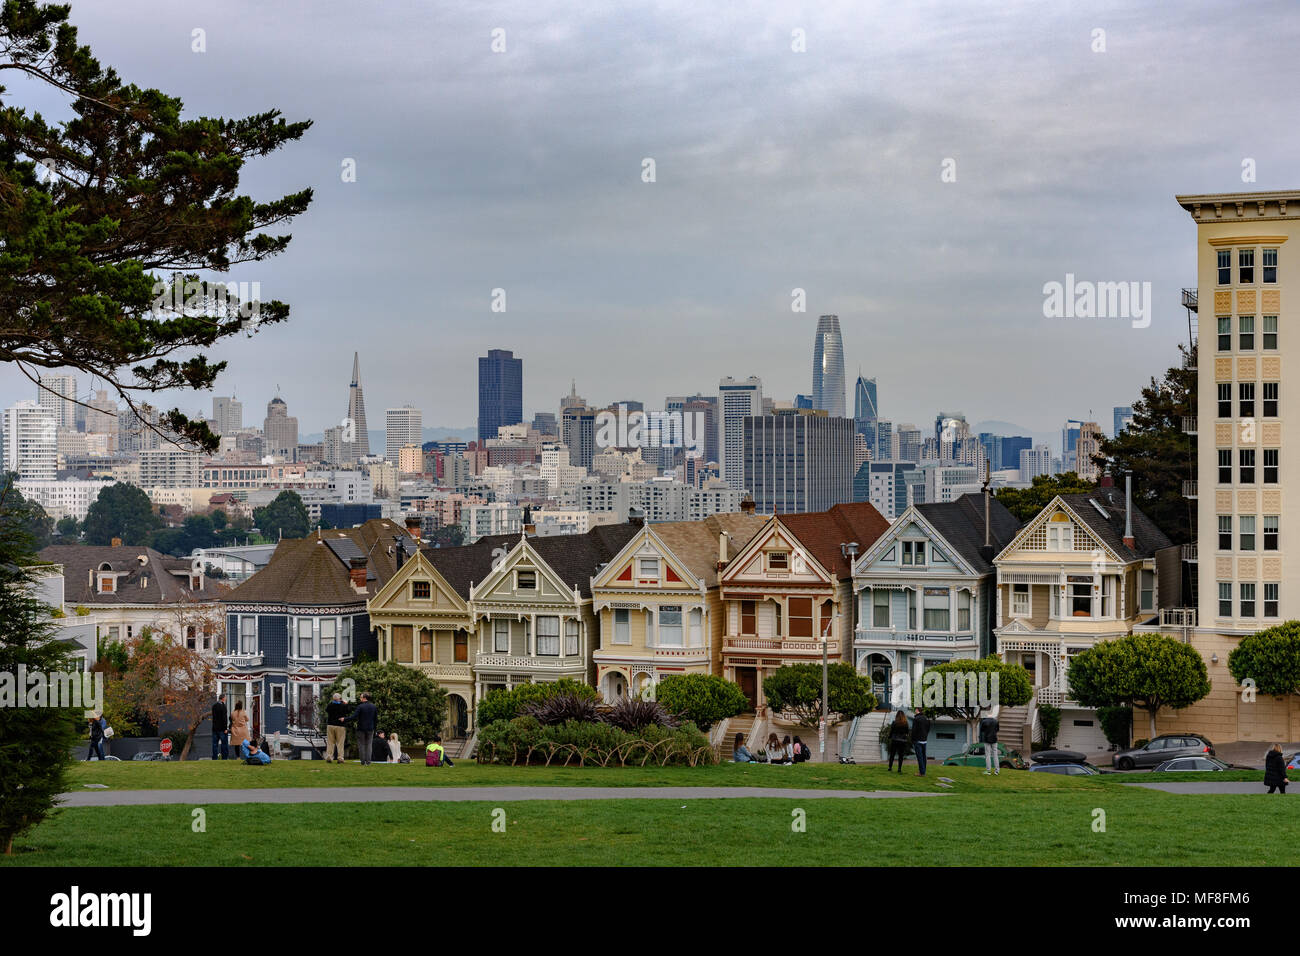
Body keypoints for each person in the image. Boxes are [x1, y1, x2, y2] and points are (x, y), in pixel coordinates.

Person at [347, 692, 378, 765]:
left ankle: (363, 761)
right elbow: (375, 719)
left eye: (361, 697)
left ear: (364, 698)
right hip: (370, 728)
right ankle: (368, 762)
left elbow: (354, 716)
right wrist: (374, 727)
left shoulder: (360, 707)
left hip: (361, 728)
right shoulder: (373, 706)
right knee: (369, 745)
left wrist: (345, 719)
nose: (360, 698)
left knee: (361, 745)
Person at [325, 691, 349, 763]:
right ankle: (340, 758)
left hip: (330, 725)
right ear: (340, 698)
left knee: (330, 742)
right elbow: (348, 711)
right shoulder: (343, 706)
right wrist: (346, 704)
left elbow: (327, 710)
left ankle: (329, 756)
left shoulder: (330, 705)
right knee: (340, 743)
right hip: (340, 726)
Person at [911, 707, 932, 776]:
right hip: (924, 740)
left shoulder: (916, 719)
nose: (915, 711)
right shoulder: (926, 718)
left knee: (920, 757)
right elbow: (928, 729)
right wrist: (925, 735)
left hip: (918, 740)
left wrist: (912, 739)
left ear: (917, 710)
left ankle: (922, 772)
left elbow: (914, 730)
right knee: (923, 756)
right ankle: (923, 771)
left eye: (915, 710)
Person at [979, 710, 1001, 775]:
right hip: (994, 739)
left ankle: (988, 771)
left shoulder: (984, 721)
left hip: (986, 739)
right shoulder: (996, 721)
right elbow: (997, 730)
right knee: (995, 755)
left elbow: (982, 730)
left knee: (988, 755)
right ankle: (997, 771)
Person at [211, 693, 229, 760]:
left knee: (215, 744)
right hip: (222, 729)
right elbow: (224, 718)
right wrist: (225, 728)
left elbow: (214, 717)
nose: (226, 698)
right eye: (225, 697)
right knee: (224, 744)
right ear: (223, 698)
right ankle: (224, 757)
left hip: (215, 728)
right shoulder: (223, 706)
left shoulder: (214, 706)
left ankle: (214, 757)